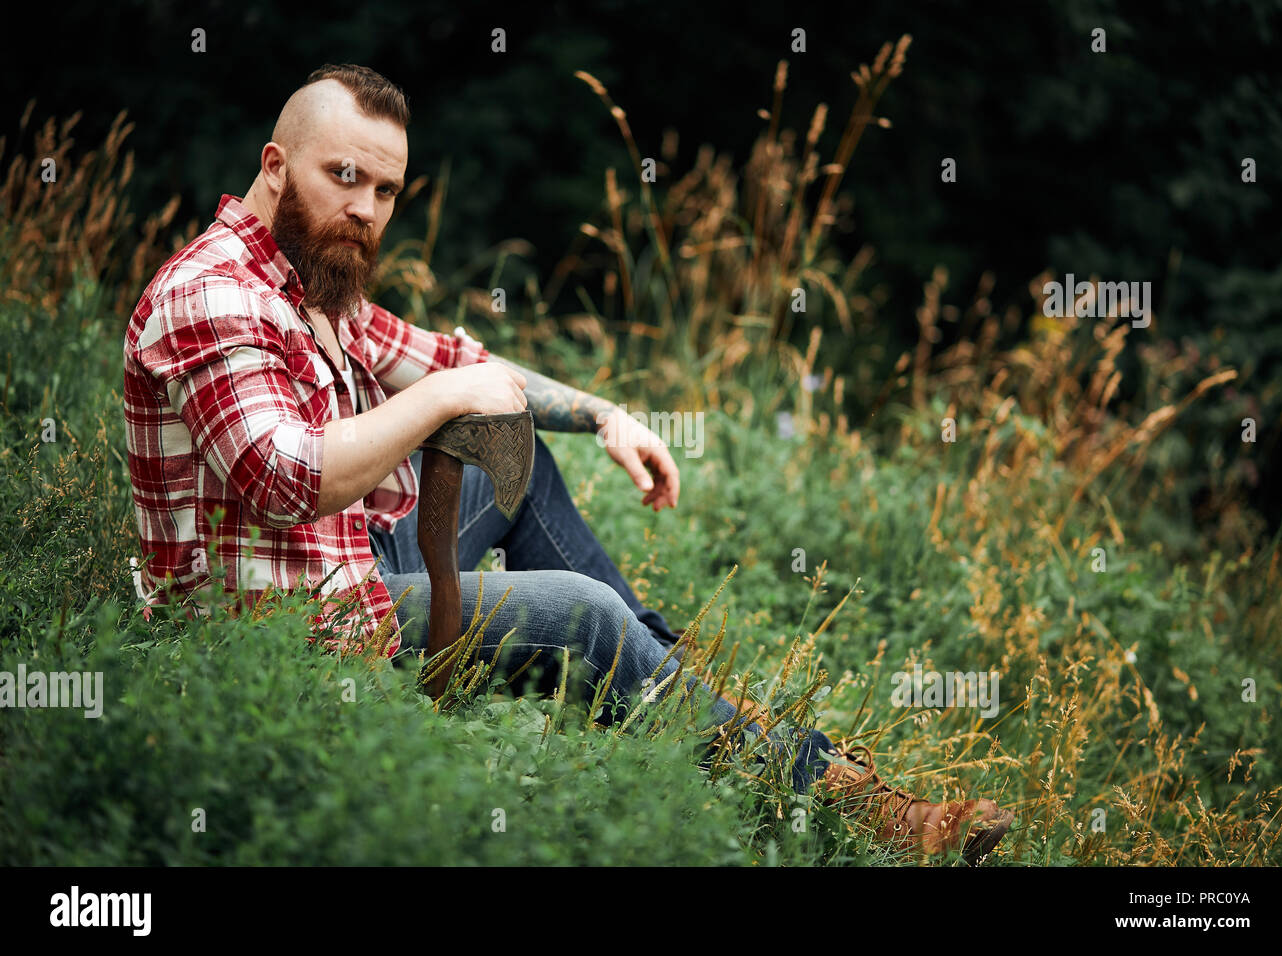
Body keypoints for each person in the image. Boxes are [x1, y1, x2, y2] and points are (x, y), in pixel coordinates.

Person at [122, 62, 1013, 864]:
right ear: (276, 166)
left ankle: (674, 686)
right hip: (282, 633)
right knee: (584, 617)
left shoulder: (312, 281)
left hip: (344, 561)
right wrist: (445, 400)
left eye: (387, 189)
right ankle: (826, 793)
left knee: (522, 461)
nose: (366, 207)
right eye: (343, 176)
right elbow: (288, 479)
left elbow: (454, 363)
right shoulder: (215, 293)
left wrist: (604, 414)